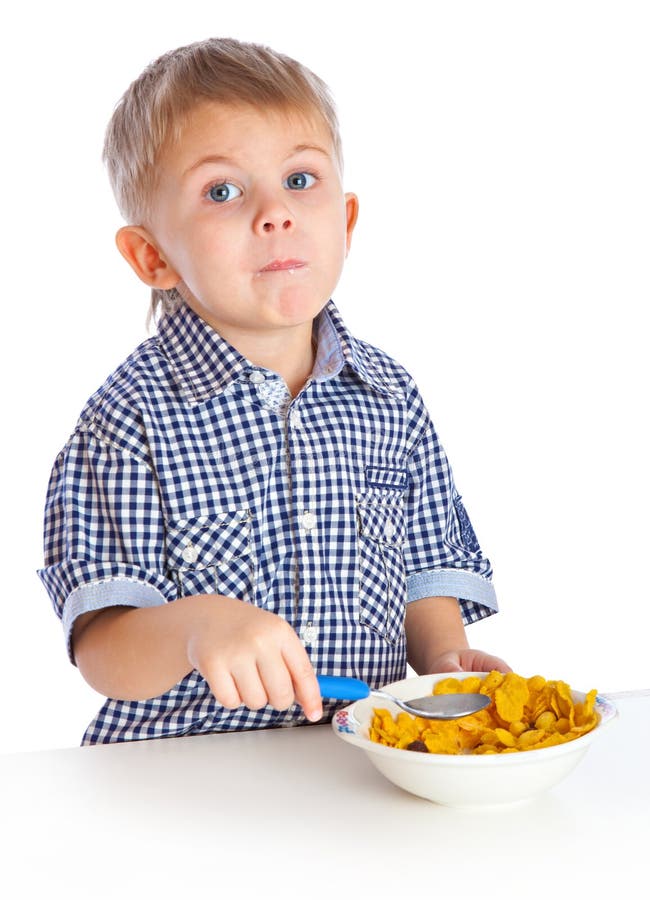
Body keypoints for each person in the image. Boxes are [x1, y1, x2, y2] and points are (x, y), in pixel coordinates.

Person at [39, 37, 510, 745]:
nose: (275, 213)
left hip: (354, 765)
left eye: (299, 180)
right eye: (223, 191)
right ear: (153, 256)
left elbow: (423, 575)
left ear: (345, 221)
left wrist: (444, 664)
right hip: (178, 776)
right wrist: (197, 628)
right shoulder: (128, 419)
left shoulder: (390, 398)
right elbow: (102, 646)